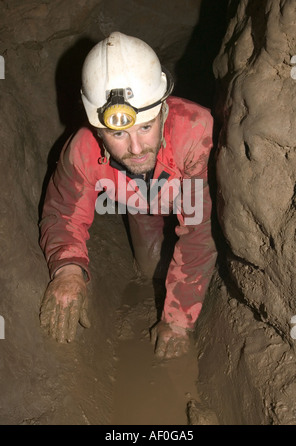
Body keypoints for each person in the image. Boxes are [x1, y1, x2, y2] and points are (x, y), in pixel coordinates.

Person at [39, 32, 217, 360]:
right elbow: (64, 210)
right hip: (137, 202)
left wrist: (177, 321)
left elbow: (197, 229)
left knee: (186, 272)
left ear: (163, 107)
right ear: (96, 127)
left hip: (180, 193)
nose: (135, 149)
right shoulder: (82, 148)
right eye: (118, 133)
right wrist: (67, 268)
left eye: (146, 128)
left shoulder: (194, 132)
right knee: (151, 271)